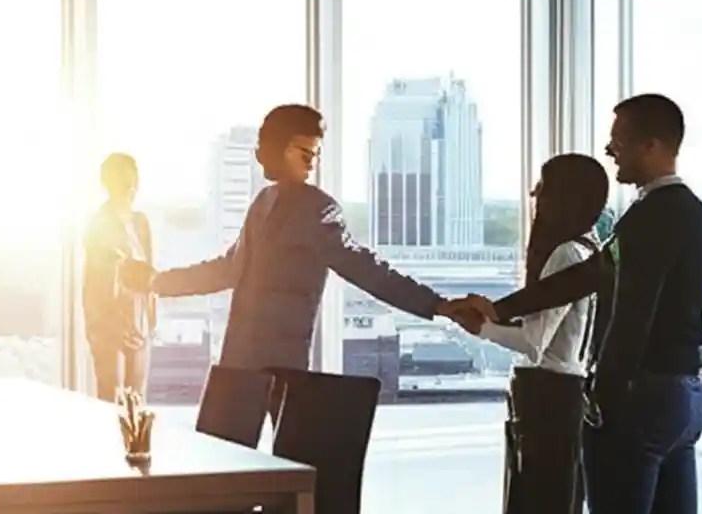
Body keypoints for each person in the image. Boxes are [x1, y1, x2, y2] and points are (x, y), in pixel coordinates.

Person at [119, 104, 490, 423]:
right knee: (222, 467)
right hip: (237, 362)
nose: (312, 164)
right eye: (305, 153)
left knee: (295, 470)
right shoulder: (262, 203)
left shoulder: (318, 209)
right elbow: (227, 269)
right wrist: (157, 282)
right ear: (270, 148)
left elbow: (366, 268)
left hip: (283, 367)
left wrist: (437, 304)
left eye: (314, 155)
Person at [486, 93, 702, 514]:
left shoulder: (650, 218)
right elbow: (585, 278)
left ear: (652, 145)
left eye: (619, 142)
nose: (610, 151)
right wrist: (496, 309)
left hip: (639, 397)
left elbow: (633, 313)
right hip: (683, 397)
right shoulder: (692, 213)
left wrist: (602, 398)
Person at [458, 153, 608, 514]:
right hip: (566, 391)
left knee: (536, 513)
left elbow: (534, 343)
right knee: (558, 511)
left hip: (546, 393)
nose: (533, 192)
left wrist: (482, 328)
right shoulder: (589, 247)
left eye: (542, 184)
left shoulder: (564, 254)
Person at [83, 153, 156, 402]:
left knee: (137, 401)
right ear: (108, 184)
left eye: (132, 180)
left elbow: (149, 273)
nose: (130, 188)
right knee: (111, 399)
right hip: (109, 325)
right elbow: (99, 282)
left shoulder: (141, 223)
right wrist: (113, 324)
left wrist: (149, 322)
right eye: (123, 182)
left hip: (139, 323)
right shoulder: (98, 224)